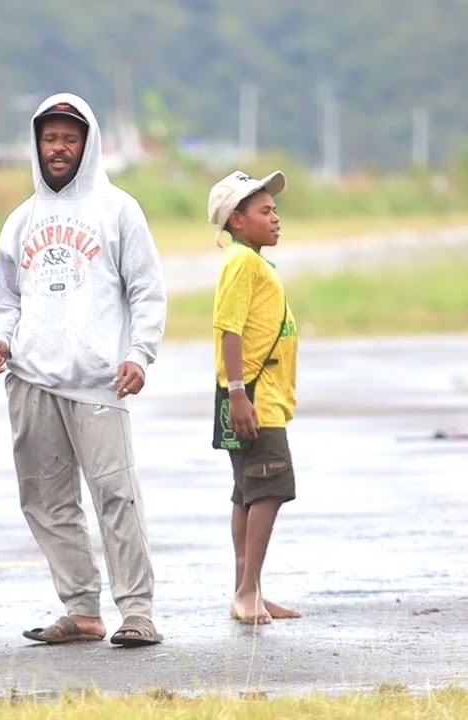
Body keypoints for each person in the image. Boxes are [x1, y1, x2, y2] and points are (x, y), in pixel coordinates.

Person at [0, 93, 168, 647]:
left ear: (88, 144)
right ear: (36, 144)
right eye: (49, 138)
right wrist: (0, 341)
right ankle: (82, 609)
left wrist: (140, 354)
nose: (58, 148)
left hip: (98, 382)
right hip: (32, 379)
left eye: (69, 137)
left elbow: (147, 290)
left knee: (116, 495)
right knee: (44, 498)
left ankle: (137, 611)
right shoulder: (22, 219)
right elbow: (5, 298)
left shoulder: (119, 210)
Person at [207, 169, 303, 626]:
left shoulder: (253, 261)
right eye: (265, 211)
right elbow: (229, 328)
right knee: (269, 490)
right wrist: (239, 394)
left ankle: (253, 591)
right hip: (253, 398)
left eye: (275, 210)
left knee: (248, 492)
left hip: (251, 395)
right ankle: (247, 591)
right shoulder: (242, 263)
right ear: (237, 221)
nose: (275, 218)